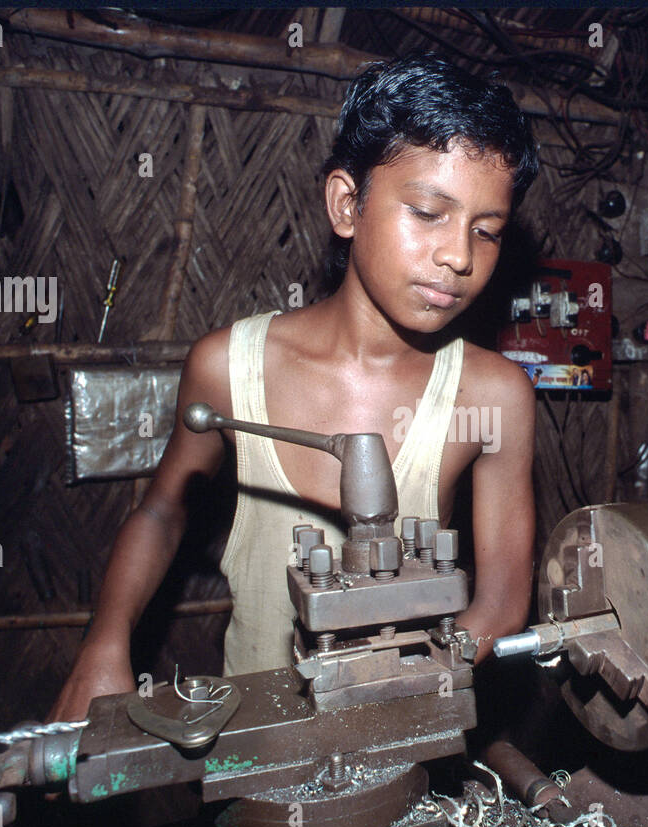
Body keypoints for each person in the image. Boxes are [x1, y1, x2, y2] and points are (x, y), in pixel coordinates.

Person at [50, 54, 540, 721]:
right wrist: (104, 642)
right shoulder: (228, 367)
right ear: (347, 204)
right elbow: (163, 513)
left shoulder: (492, 395)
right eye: (428, 212)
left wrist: (413, 678)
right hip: (251, 744)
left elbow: (505, 599)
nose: (459, 255)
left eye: (487, 232)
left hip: (409, 742)